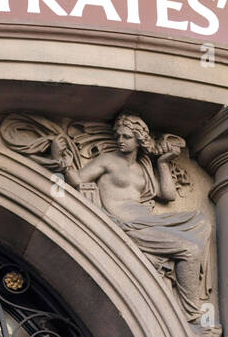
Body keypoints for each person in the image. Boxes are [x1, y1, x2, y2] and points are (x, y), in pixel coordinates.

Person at [53, 112, 211, 322]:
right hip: (125, 225)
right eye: (118, 136)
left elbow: (169, 195)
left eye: (126, 137)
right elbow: (77, 180)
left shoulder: (142, 168)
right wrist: (62, 160)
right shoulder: (108, 161)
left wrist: (163, 163)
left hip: (146, 221)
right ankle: (192, 315)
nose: (120, 141)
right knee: (189, 250)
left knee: (200, 221)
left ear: (139, 139)